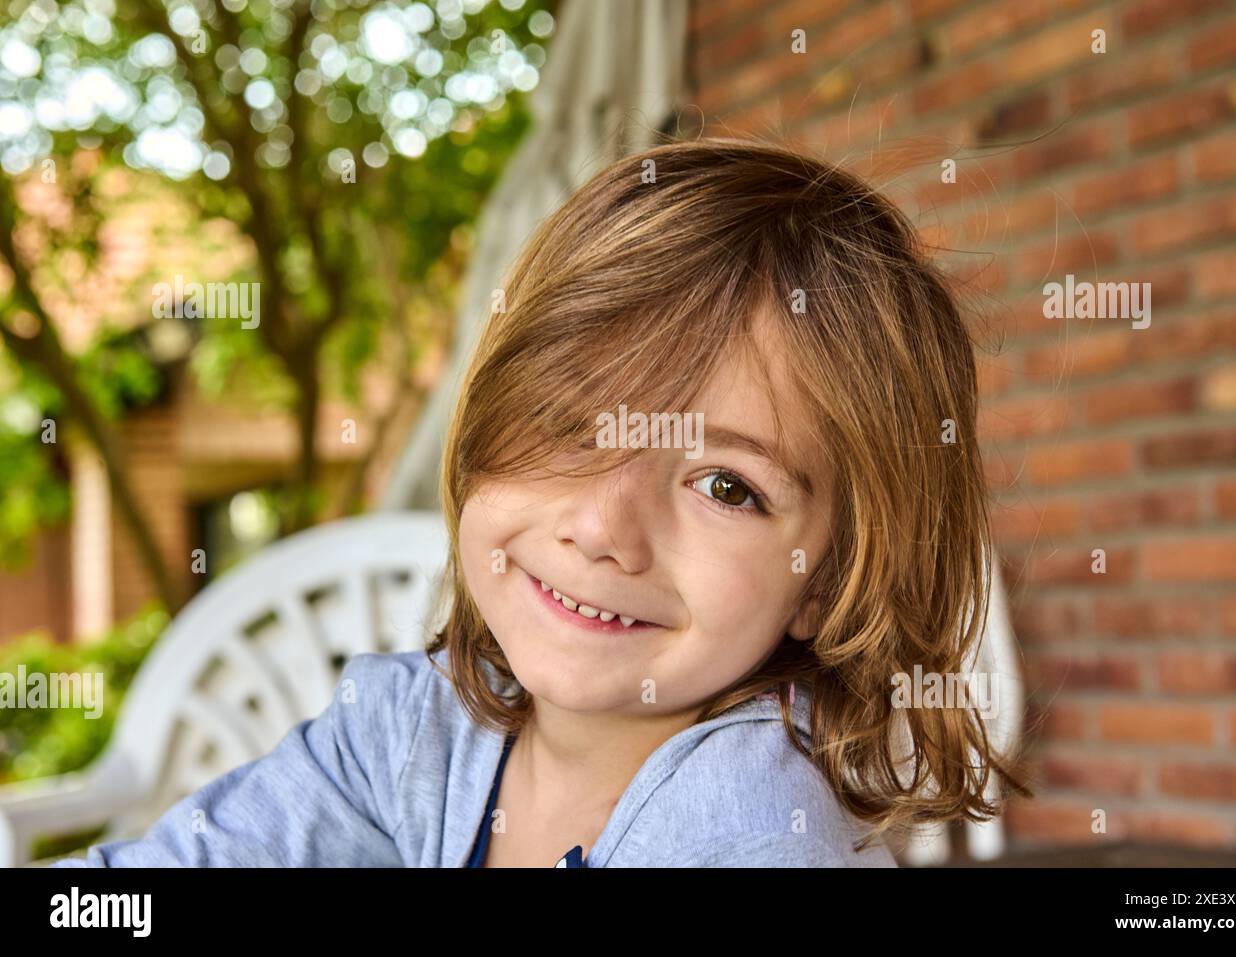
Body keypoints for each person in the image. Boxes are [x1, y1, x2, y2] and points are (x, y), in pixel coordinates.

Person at [52, 137, 1025, 868]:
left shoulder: (747, 819)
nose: (602, 527)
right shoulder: (413, 724)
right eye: (572, 423)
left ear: (826, 583)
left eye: (726, 486)